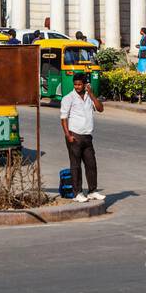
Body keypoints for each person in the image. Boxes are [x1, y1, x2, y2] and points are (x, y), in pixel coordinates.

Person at [60, 71, 104, 203]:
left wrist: (91, 94)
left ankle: (92, 191)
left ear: (85, 85)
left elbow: (100, 109)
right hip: (75, 136)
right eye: (76, 84)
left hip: (87, 136)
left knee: (91, 164)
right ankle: (77, 193)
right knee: (76, 166)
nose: (77, 87)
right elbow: (63, 118)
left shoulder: (89, 97)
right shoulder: (68, 98)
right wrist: (68, 135)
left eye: (80, 84)